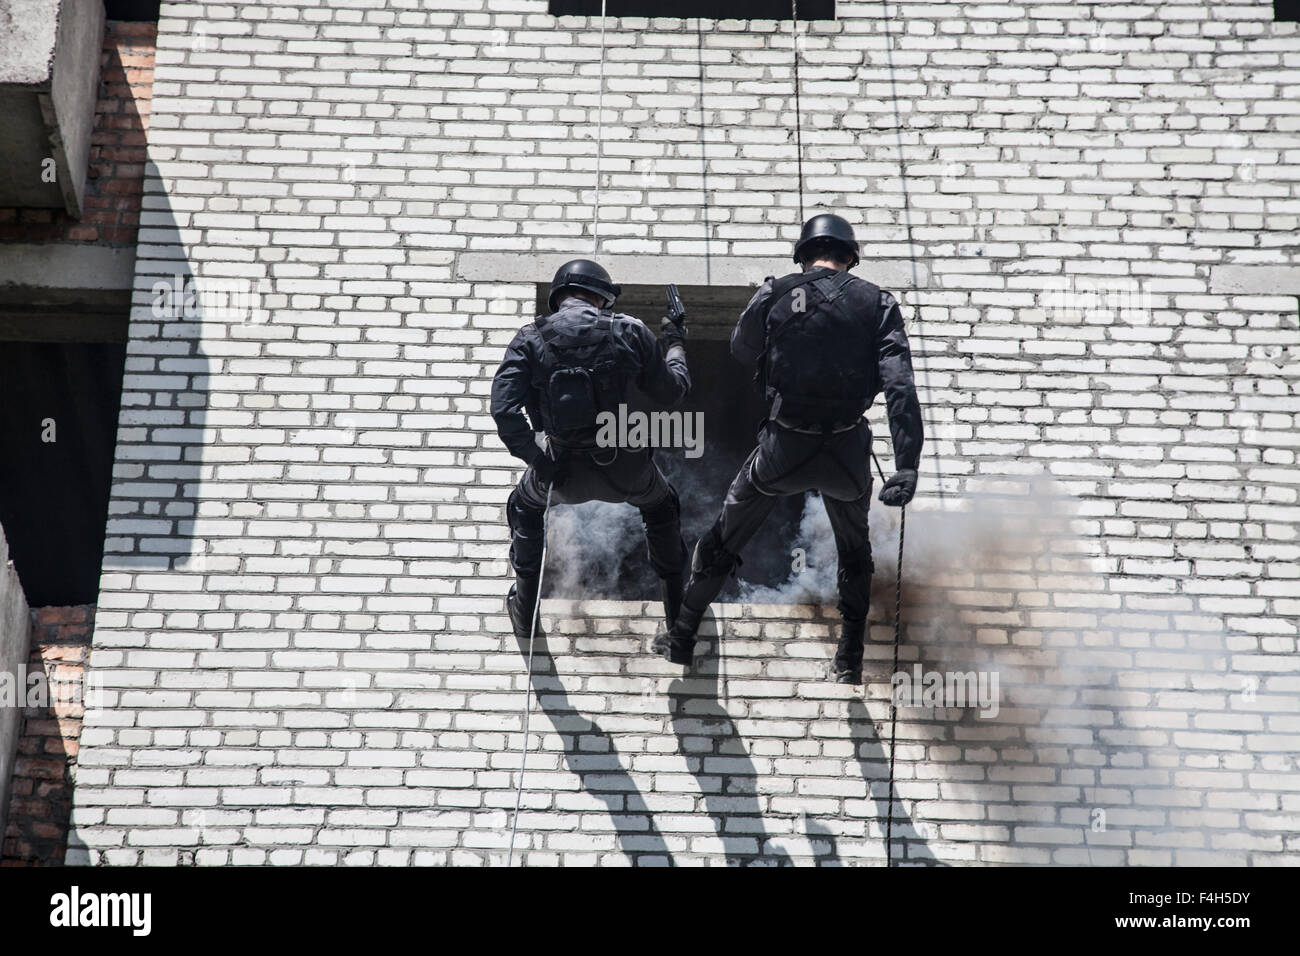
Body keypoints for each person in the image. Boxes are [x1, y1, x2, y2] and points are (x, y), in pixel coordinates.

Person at [652, 214, 923, 683]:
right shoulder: (878, 302)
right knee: (854, 552)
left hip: (783, 448)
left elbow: (741, 349)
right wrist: (907, 466)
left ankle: (682, 633)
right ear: (850, 257)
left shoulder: (776, 292)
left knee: (724, 538)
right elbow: (900, 386)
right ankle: (850, 657)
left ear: (803, 255)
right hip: (845, 453)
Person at [491, 258, 692, 642]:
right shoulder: (630, 330)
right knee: (662, 507)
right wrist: (675, 342)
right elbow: (673, 393)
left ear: (558, 297)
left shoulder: (529, 337)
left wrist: (538, 460)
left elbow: (504, 411)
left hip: (559, 471)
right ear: (602, 298)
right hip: (626, 468)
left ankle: (525, 615)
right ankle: (677, 619)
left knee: (524, 507)